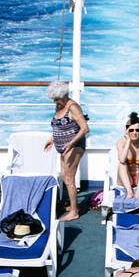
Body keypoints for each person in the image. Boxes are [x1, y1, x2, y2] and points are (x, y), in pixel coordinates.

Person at [44, 80, 88, 222]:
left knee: (69, 179)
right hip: (63, 147)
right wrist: (52, 138)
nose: (54, 102)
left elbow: (85, 128)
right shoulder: (59, 106)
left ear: (64, 95)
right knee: (65, 177)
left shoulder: (73, 107)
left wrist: (71, 143)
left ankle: (74, 212)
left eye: (57, 99)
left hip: (74, 146)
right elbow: (59, 125)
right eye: (53, 99)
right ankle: (73, 205)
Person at [115, 113, 139, 196]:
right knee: (121, 164)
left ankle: (138, 192)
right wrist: (128, 140)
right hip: (126, 180)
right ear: (126, 130)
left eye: (137, 130)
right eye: (131, 130)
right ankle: (129, 192)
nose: (134, 133)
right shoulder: (121, 142)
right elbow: (121, 159)